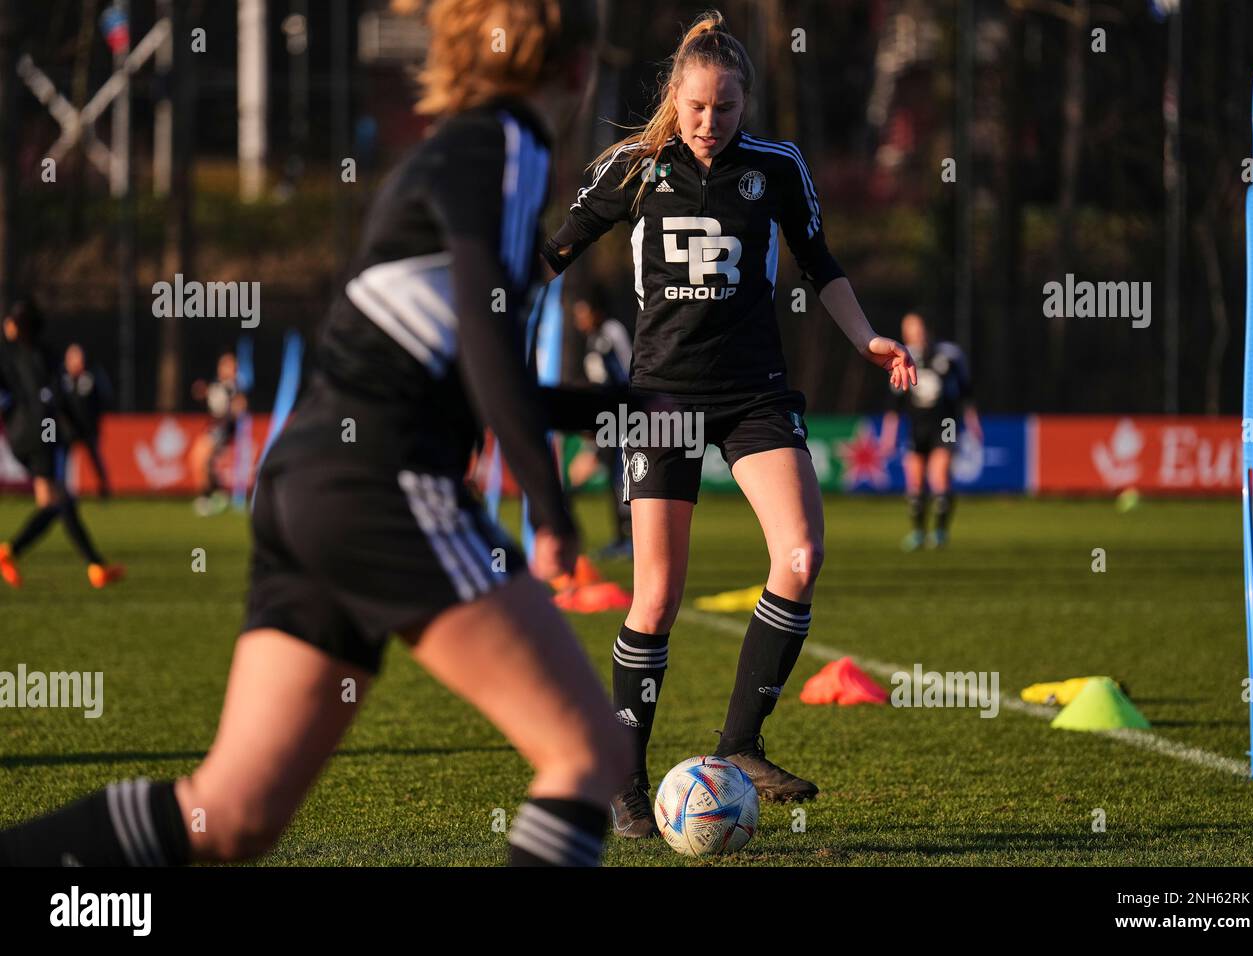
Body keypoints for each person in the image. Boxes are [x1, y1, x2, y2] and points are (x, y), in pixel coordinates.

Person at [0, 0, 632, 868]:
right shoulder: (507, 145)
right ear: (576, 67)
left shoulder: (458, 148)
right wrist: (554, 512)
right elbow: (490, 347)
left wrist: (631, 407)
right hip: (379, 480)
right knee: (587, 752)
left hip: (305, 480)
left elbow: (481, 371)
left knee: (227, 816)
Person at [541, 11, 916, 838]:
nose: (711, 124)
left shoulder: (776, 166)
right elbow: (555, 251)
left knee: (801, 555)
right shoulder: (634, 168)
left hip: (753, 393)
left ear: (747, 102)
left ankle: (741, 743)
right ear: (675, 97)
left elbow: (820, 264)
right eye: (698, 108)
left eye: (727, 109)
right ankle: (623, 777)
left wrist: (870, 340)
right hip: (662, 400)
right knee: (657, 597)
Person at [0, 300, 124, 590]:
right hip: (42, 432)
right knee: (58, 503)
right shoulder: (44, 356)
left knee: (60, 502)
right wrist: (76, 428)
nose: (6, 324)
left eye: (10, 321)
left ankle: (96, 566)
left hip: (19, 435)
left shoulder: (8, 356)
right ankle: (10, 551)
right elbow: (58, 398)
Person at [879, 313, 982, 550]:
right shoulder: (902, 358)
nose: (914, 333)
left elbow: (966, 394)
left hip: (945, 426)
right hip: (917, 427)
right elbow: (893, 404)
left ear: (927, 328)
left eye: (916, 328)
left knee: (939, 477)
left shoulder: (950, 355)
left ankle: (940, 533)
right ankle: (918, 533)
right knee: (914, 484)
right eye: (908, 330)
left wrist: (974, 423)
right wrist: (888, 436)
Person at [573, 291, 634, 558]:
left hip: (621, 417)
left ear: (597, 311)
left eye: (584, 313)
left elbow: (623, 373)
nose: (580, 320)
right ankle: (621, 538)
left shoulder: (610, 333)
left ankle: (631, 538)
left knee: (623, 478)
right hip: (606, 418)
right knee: (614, 478)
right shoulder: (593, 339)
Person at [188, 351, 246, 516]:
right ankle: (217, 495)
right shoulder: (217, 385)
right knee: (202, 461)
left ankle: (206, 498)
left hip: (221, 430)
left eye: (230, 365)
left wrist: (236, 408)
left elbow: (238, 407)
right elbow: (212, 400)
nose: (227, 368)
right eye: (224, 365)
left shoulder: (234, 387)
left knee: (200, 457)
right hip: (212, 428)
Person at [59, 343, 113, 499]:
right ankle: (65, 490)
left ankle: (103, 489)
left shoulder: (92, 376)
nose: (77, 362)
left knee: (94, 458)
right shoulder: (61, 378)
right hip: (68, 427)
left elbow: (104, 398)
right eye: (73, 358)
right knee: (66, 460)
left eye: (79, 358)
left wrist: (95, 419)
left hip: (89, 427)